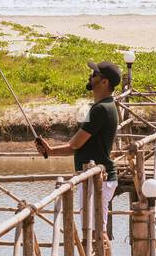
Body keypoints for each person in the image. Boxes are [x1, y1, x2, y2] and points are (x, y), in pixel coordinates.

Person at [34, 60, 121, 214]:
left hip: (97, 179)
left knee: (96, 232)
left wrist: (62, 146)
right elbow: (78, 146)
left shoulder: (100, 109)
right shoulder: (100, 106)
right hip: (93, 178)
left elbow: (75, 143)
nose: (90, 76)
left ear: (105, 81)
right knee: (94, 230)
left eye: (95, 74)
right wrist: (50, 151)